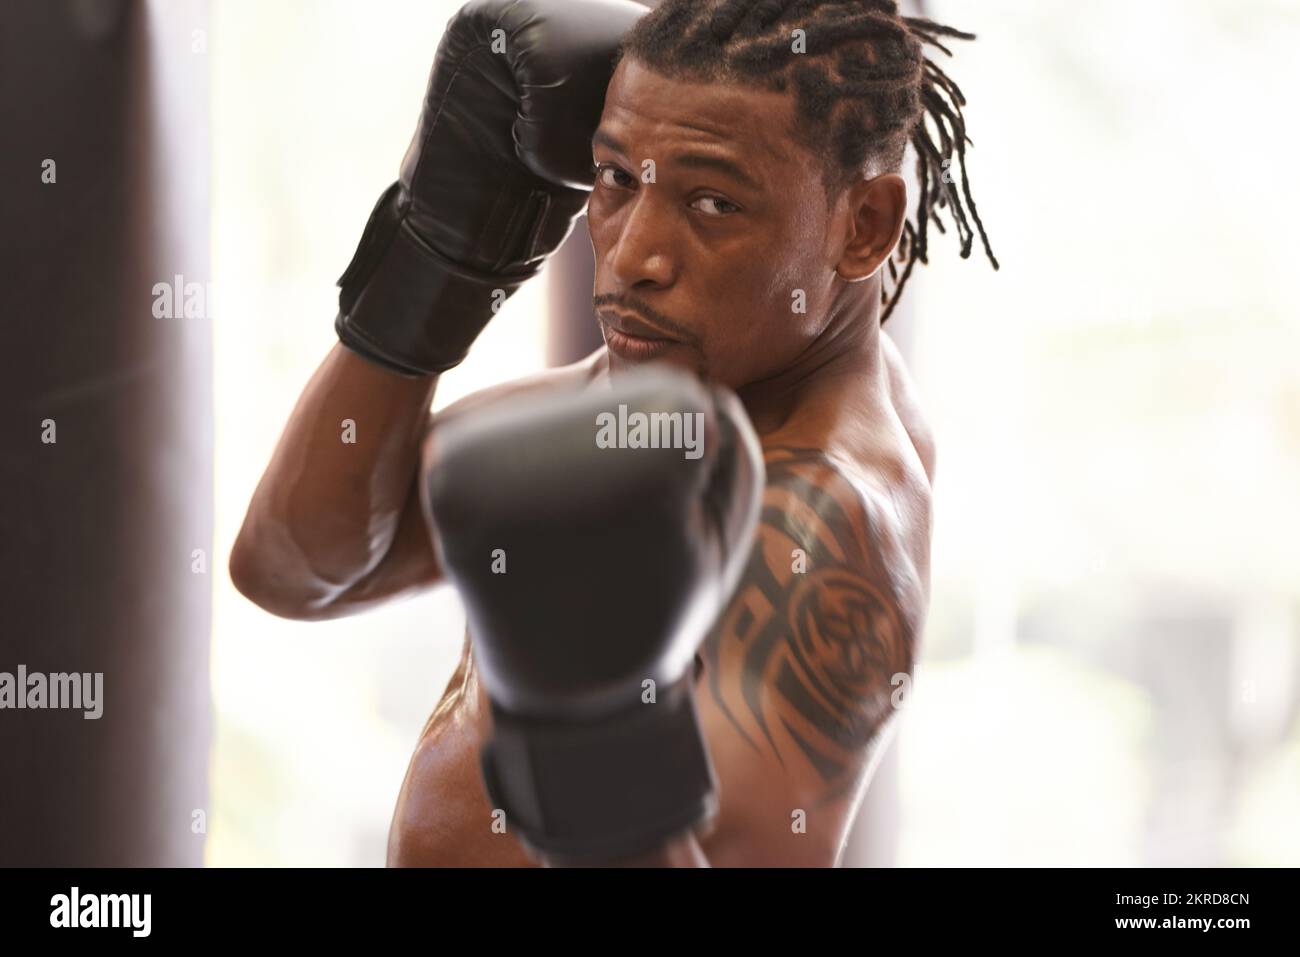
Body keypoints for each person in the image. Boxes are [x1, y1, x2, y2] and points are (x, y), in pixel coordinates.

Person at [230, 0, 998, 867]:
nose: (634, 257)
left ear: (863, 226)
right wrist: (431, 265)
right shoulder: (686, 384)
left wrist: (578, 730)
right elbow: (299, 568)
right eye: (616, 179)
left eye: (712, 202)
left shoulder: (819, 519)